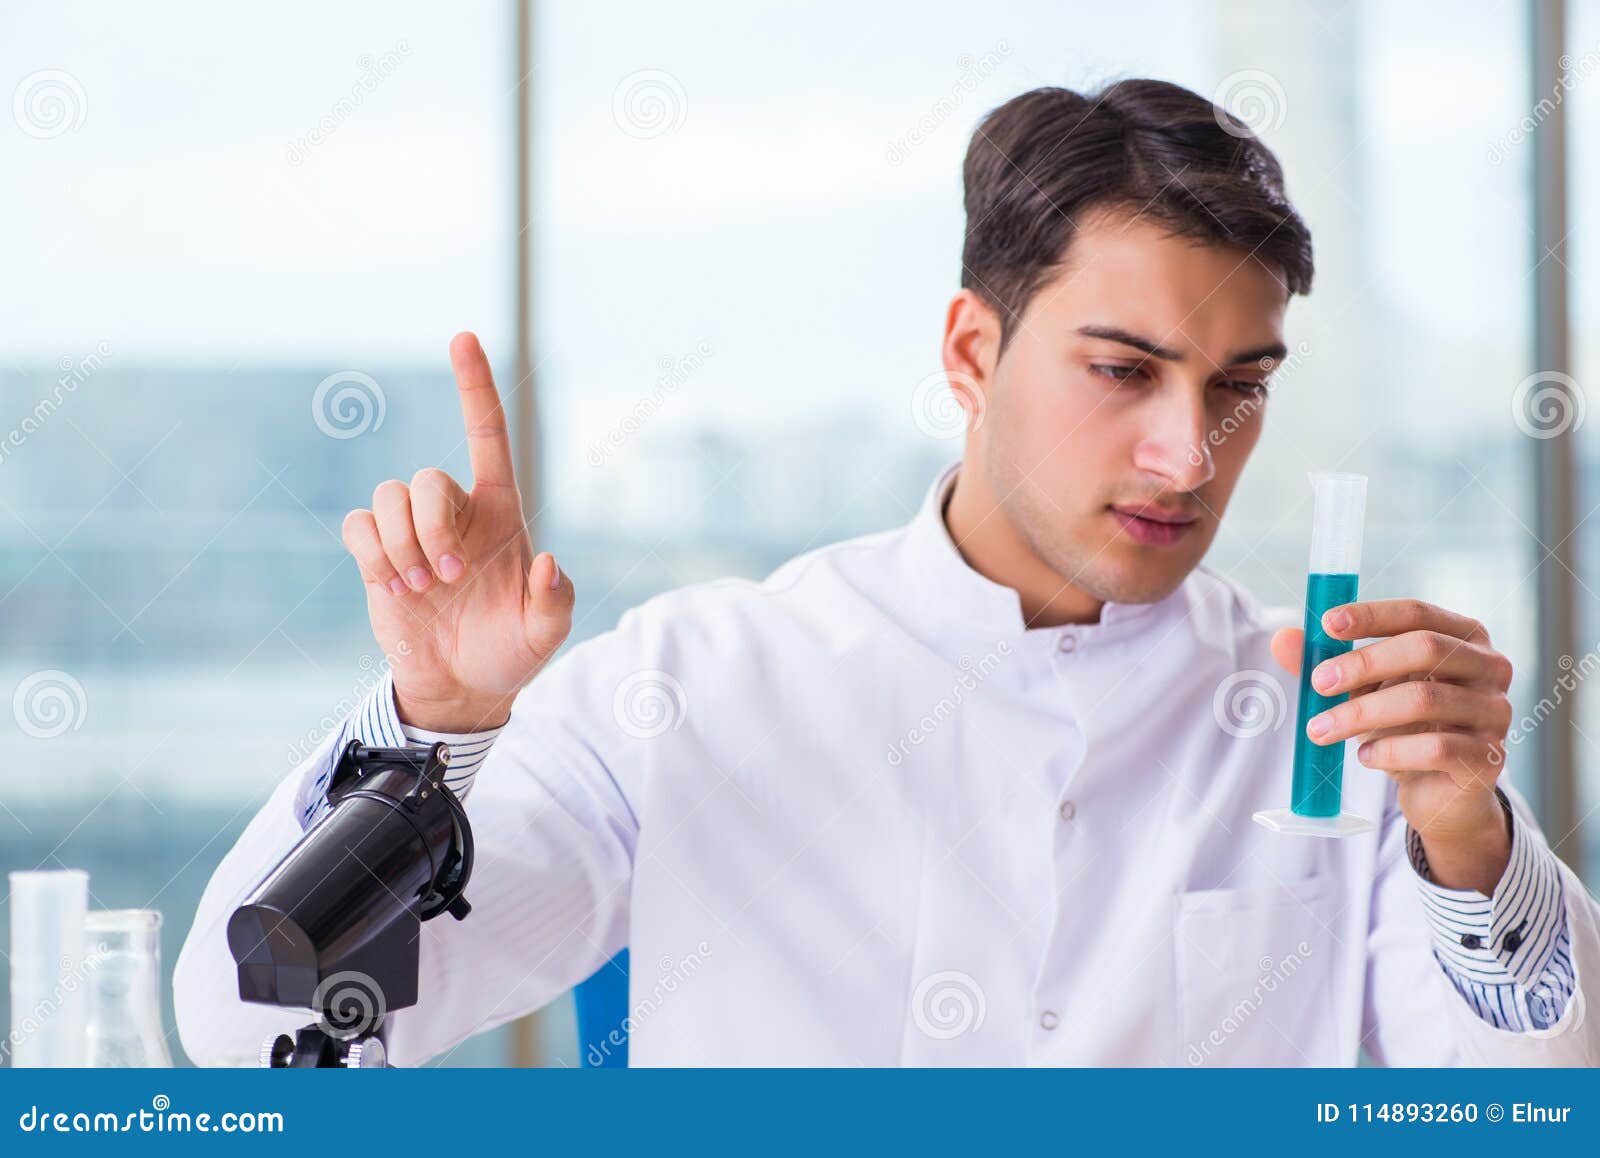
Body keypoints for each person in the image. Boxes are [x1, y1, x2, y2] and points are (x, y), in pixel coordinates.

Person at [174, 79, 1596, 1066]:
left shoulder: (1329, 725)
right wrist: (436, 722)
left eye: (1240, 384)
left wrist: (1466, 837)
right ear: (972, 351)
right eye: (1123, 369)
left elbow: (1530, 1102)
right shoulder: (691, 685)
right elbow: (253, 1032)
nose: (1189, 451)